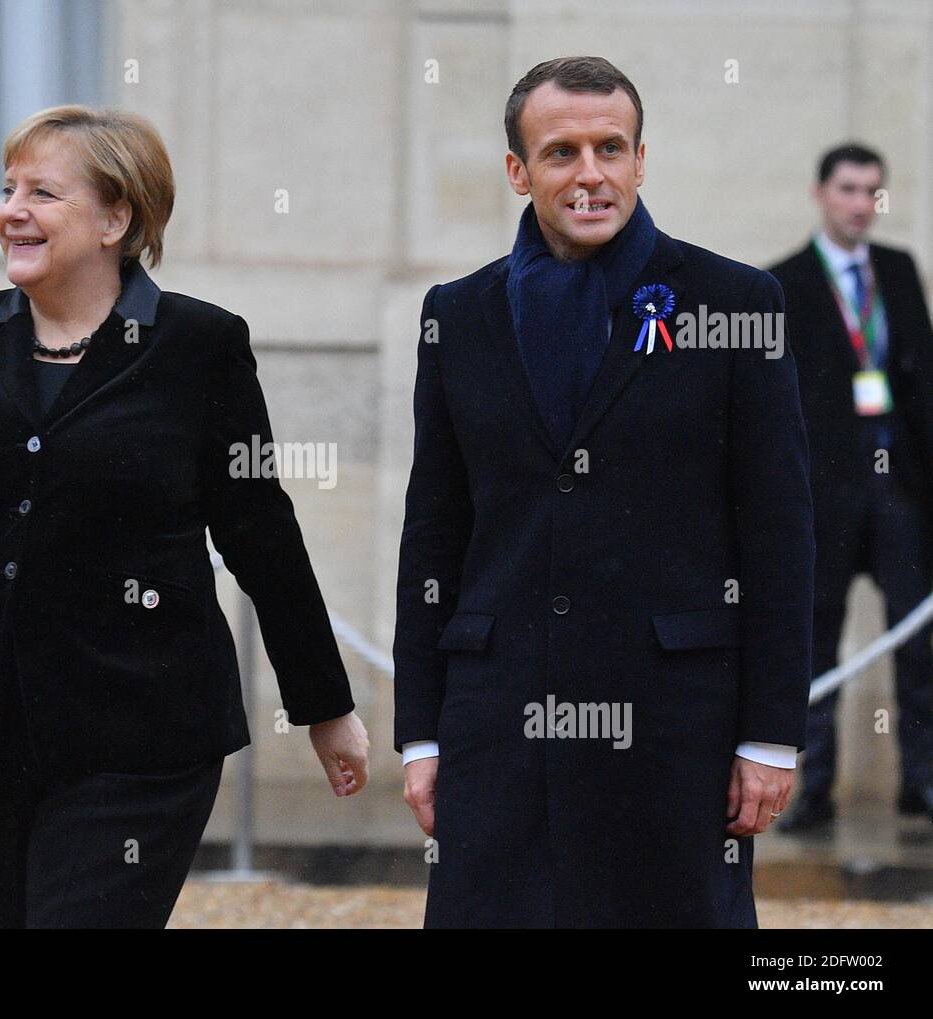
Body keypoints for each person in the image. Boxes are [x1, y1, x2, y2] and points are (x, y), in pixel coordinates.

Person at [0, 105, 369, 928]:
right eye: (8, 188)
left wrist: (324, 706)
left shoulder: (199, 345)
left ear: (117, 217)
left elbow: (261, 531)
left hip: (142, 736)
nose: (12, 209)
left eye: (43, 192)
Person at [393, 56, 814, 927]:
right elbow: (434, 530)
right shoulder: (456, 314)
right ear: (518, 170)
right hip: (498, 723)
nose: (590, 174)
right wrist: (423, 731)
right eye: (561, 152)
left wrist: (770, 735)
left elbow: (779, 533)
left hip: (673, 727)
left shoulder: (737, 301)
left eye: (610, 147)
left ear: (640, 159)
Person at [769, 144, 933, 831]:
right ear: (821, 193)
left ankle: (919, 783)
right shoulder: (785, 281)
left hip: (899, 486)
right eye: (848, 189)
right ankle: (815, 790)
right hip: (825, 492)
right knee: (817, 640)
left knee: (918, 641)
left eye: (872, 190)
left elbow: (919, 380)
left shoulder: (897, 270)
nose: (861, 203)